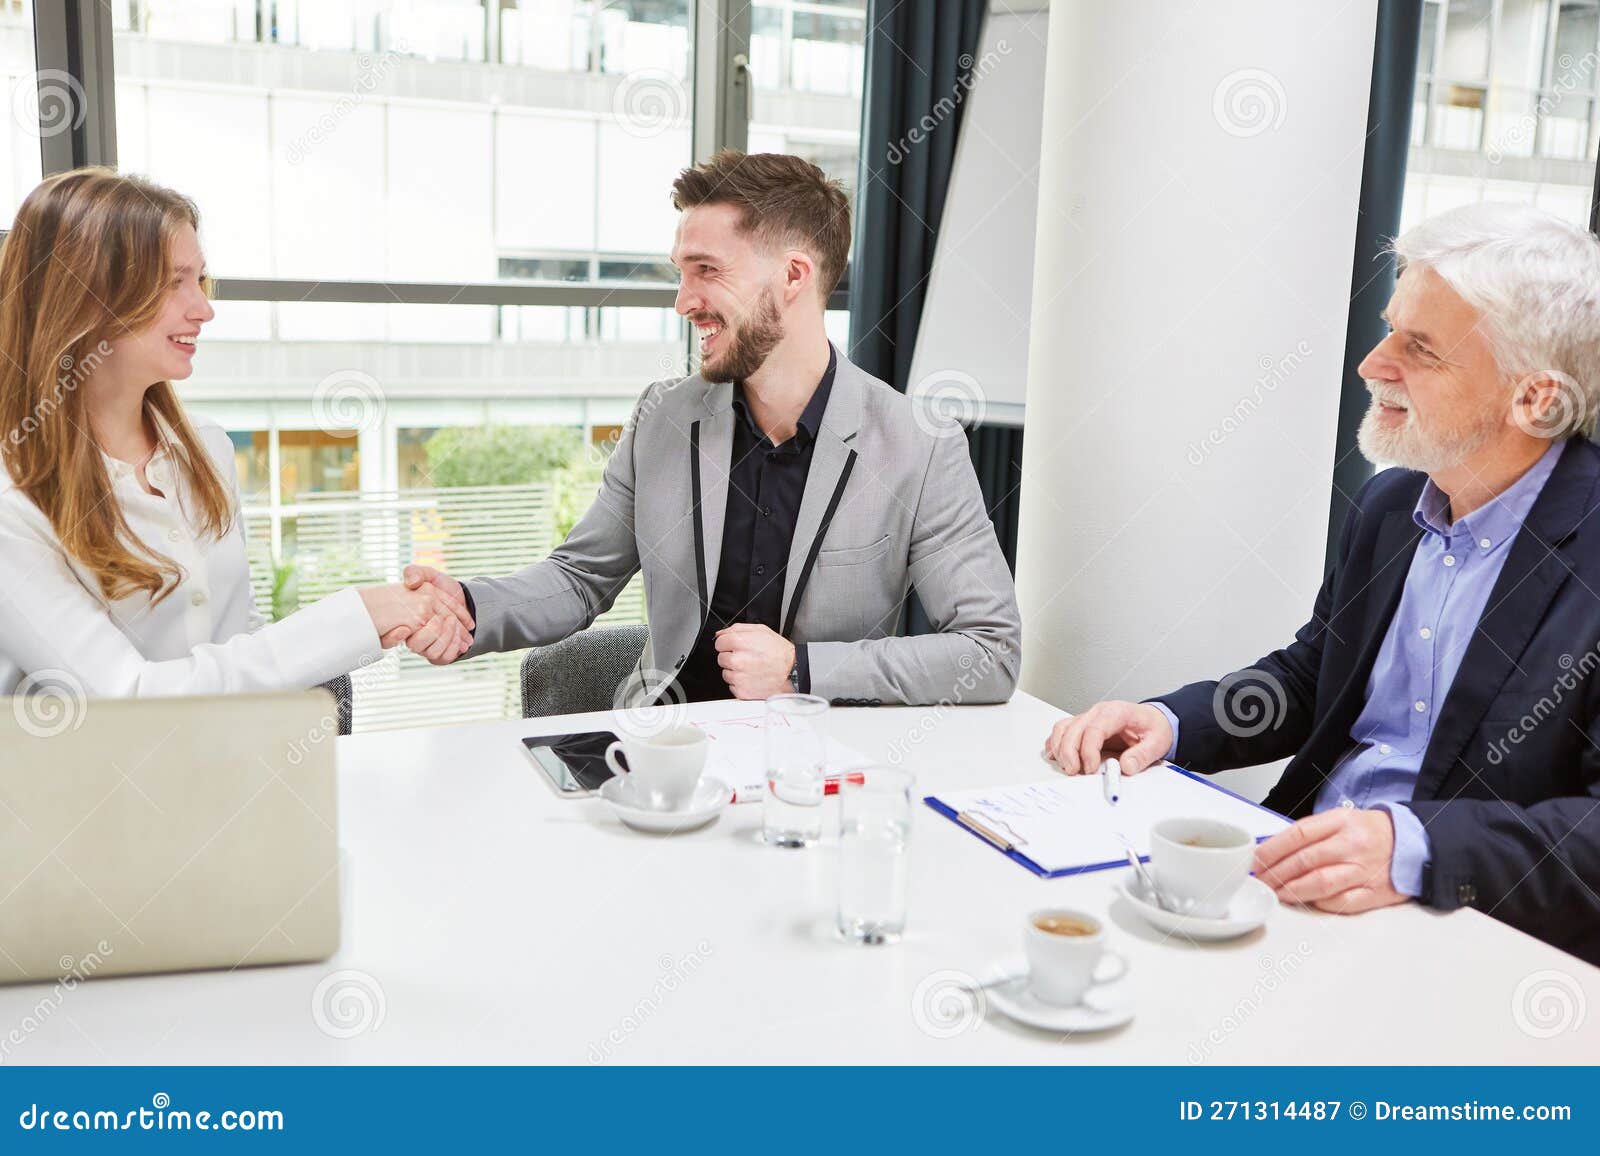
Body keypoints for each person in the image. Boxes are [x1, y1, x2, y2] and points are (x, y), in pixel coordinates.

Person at [1045, 201, 1600, 964]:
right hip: (1296, 883)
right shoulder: (1390, 504)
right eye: (1388, 328)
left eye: (1422, 349)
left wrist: (1415, 846)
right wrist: (1173, 725)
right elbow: (1316, 679)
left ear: (1535, 398)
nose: (1373, 364)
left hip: (1467, 937)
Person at [404, 150, 1019, 706]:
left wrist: (804, 670)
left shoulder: (918, 446)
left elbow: (989, 653)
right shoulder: (661, 418)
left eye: (707, 270)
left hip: (819, 776)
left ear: (794, 275)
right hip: (663, 759)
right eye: (680, 272)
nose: (683, 301)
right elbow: (581, 578)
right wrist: (469, 605)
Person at [0, 168, 473, 700]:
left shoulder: (205, 448)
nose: (203, 308)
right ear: (84, 295)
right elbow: (127, 696)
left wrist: (387, 624)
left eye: (198, 280)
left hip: (226, 768)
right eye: (172, 282)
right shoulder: (12, 503)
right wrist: (359, 614)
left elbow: (239, 642)